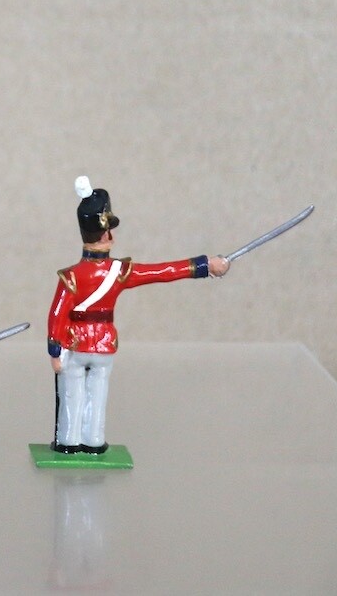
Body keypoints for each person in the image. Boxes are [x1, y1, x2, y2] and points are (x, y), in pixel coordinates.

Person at [47, 176, 229, 454]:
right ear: (106, 235)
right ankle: (93, 441)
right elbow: (163, 271)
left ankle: (69, 441)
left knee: (71, 393)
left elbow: (57, 314)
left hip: (74, 343)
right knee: (97, 394)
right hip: (104, 344)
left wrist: (54, 349)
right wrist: (204, 266)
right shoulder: (120, 273)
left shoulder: (70, 276)